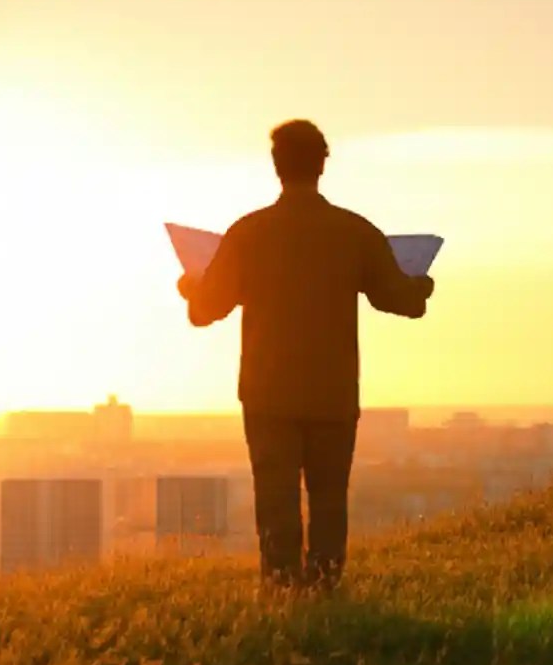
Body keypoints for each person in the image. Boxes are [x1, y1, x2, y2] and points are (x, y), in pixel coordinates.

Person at [176, 119, 434, 590]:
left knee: (275, 499)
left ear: (276, 166)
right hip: (332, 391)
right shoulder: (354, 232)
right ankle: (325, 588)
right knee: (329, 499)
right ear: (322, 165)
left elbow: (205, 310)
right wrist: (422, 285)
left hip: (267, 393)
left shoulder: (249, 233)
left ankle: (280, 589)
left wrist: (191, 285)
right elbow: (403, 301)